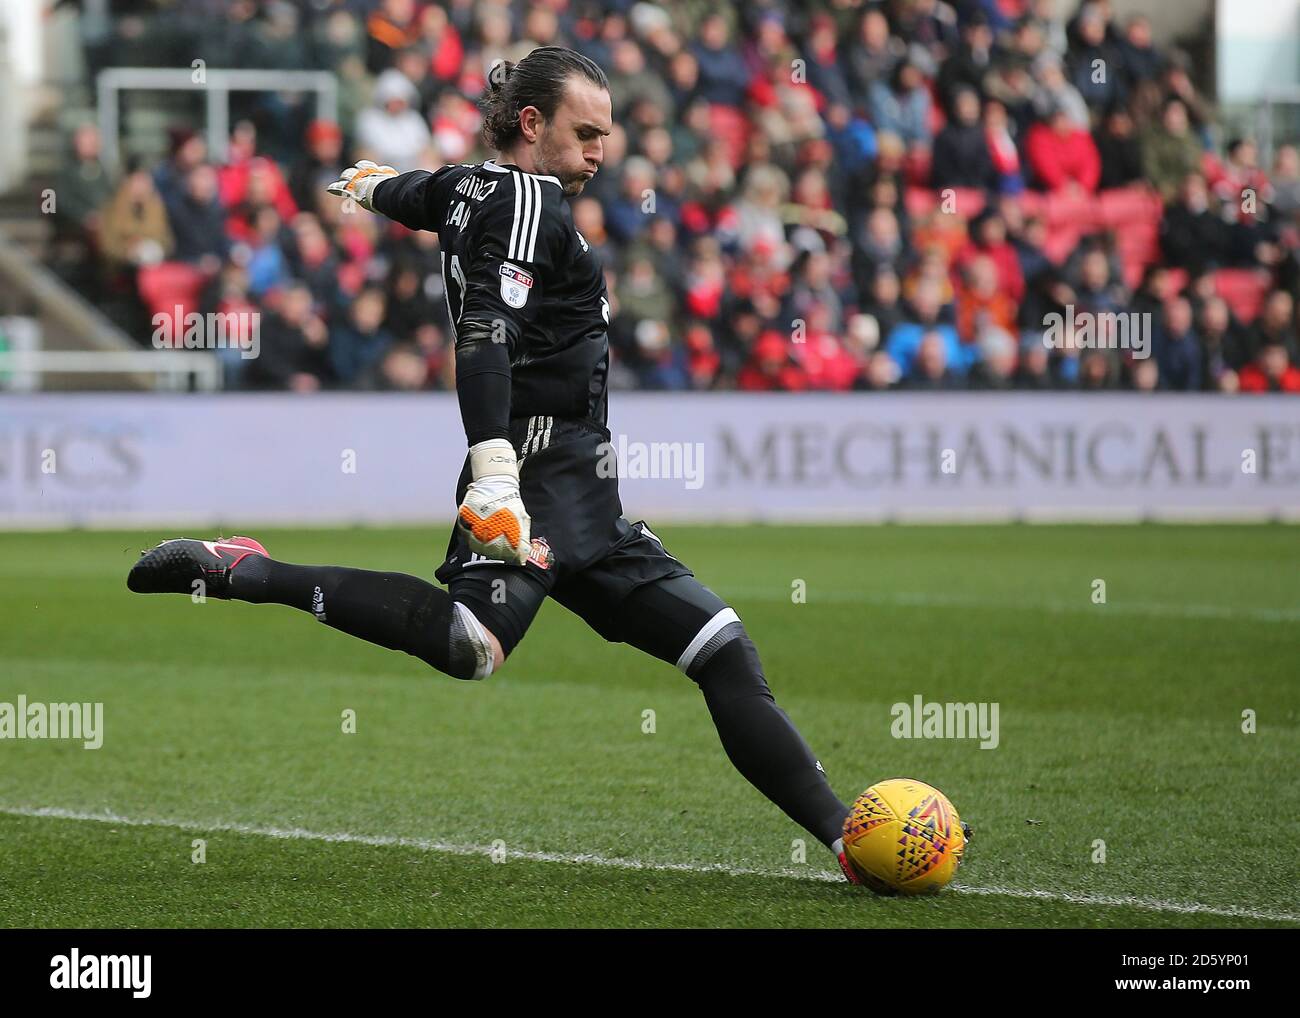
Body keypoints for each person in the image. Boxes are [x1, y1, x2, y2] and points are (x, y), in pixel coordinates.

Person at [127, 47, 934, 885]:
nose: (599, 151)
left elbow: (415, 195)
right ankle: (253, 571)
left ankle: (847, 842)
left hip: (591, 497)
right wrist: (497, 475)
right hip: (538, 478)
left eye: (607, 135)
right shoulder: (524, 199)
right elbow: (486, 338)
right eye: (585, 133)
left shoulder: (470, 186)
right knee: (472, 645)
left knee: (722, 650)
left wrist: (368, 185)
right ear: (532, 124)